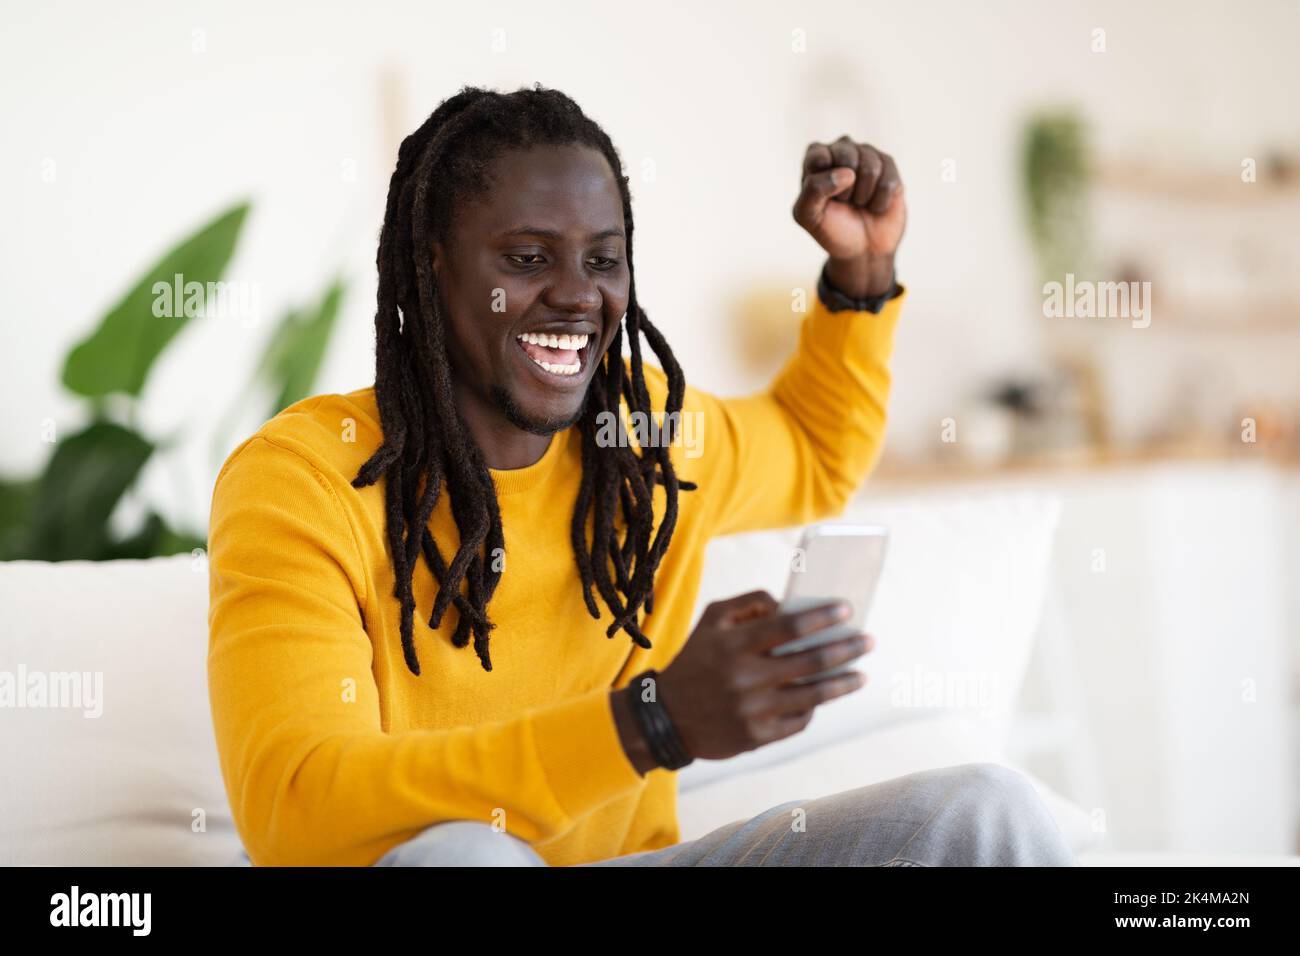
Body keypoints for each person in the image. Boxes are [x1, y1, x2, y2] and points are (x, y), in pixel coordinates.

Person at [209, 84, 1075, 867]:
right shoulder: (302, 480)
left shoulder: (645, 437)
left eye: (602, 258)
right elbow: (298, 806)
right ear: (431, 267)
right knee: (463, 860)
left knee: (987, 812)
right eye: (526, 258)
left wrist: (859, 275)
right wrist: (650, 722)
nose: (579, 296)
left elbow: (813, 452)